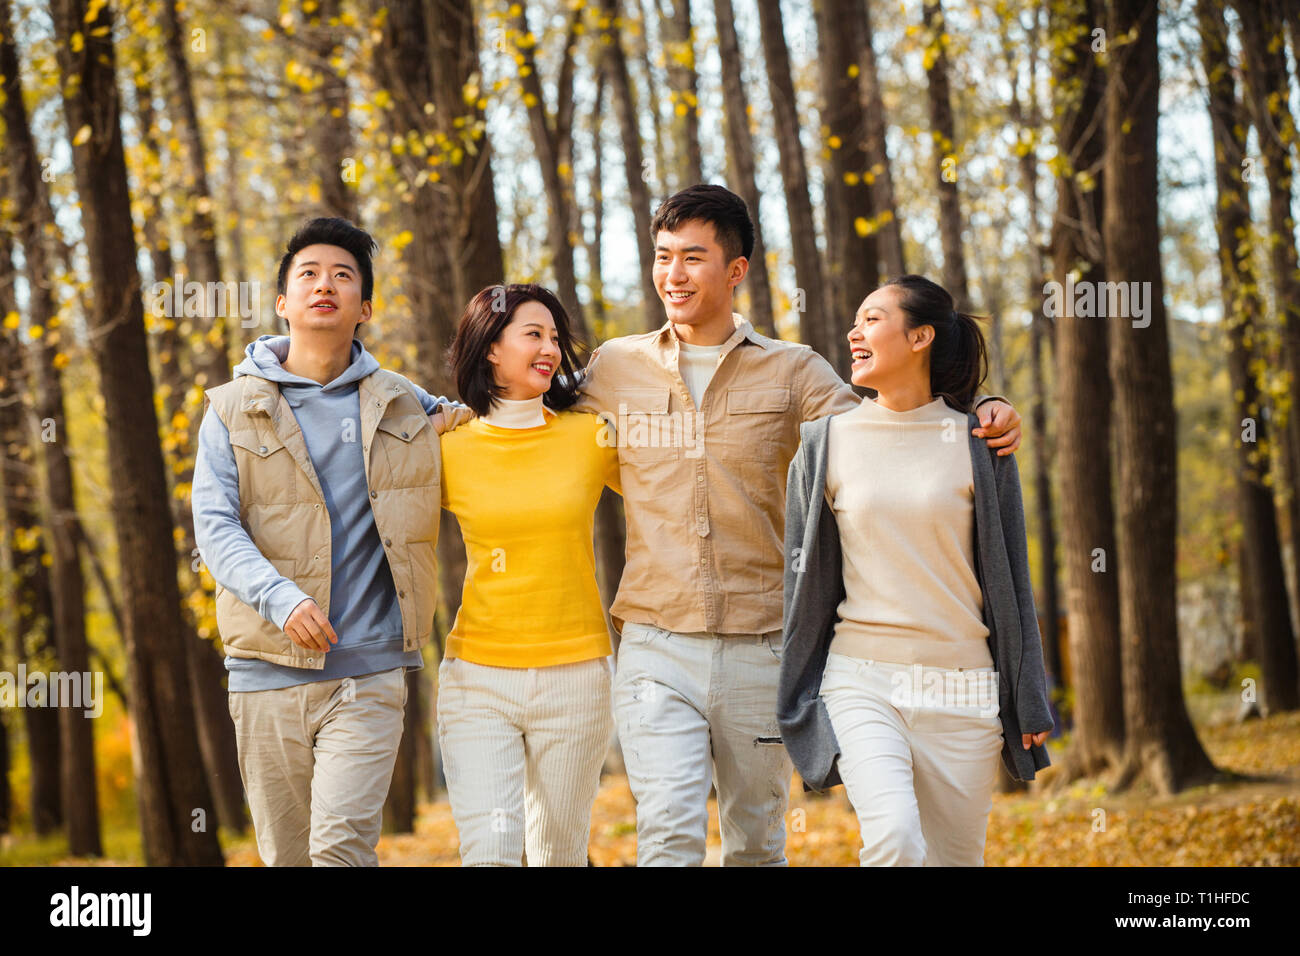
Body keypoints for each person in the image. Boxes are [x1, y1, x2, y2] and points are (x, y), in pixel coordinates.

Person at [544, 184, 1020, 865]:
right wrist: (443, 411)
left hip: (762, 646)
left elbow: (892, 420)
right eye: (662, 257)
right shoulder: (617, 368)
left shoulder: (794, 372)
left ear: (736, 270)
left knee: (756, 842)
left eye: (693, 258)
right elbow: (531, 413)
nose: (672, 275)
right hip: (655, 641)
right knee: (668, 835)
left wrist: (983, 407)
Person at [193, 217, 453, 866]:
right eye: (307, 274)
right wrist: (280, 599)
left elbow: (482, 426)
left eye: (342, 275)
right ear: (282, 302)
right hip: (266, 671)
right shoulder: (230, 407)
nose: (323, 285)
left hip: (370, 671)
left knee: (340, 851)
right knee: (288, 857)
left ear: (364, 307)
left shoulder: (401, 404)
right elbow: (215, 524)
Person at [778, 274, 1054, 867]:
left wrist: (1027, 691)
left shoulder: (981, 442)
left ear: (921, 335)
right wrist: (793, 685)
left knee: (956, 860)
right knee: (895, 840)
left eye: (872, 318)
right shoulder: (824, 442)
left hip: (963, 686)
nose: (855, 331)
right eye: (856, 320)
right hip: (862, 680)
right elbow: (800, 582)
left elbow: (1012, 576)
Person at [436, 283, 622, 866]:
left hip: (578, 679)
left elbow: (670, 495)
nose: (550, 348)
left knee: (557, 857)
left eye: (554, 337)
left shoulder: (589, 436)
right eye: (533, 334)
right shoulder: (447, 446)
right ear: (491, 347)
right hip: (478, 678)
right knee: (490, 852)